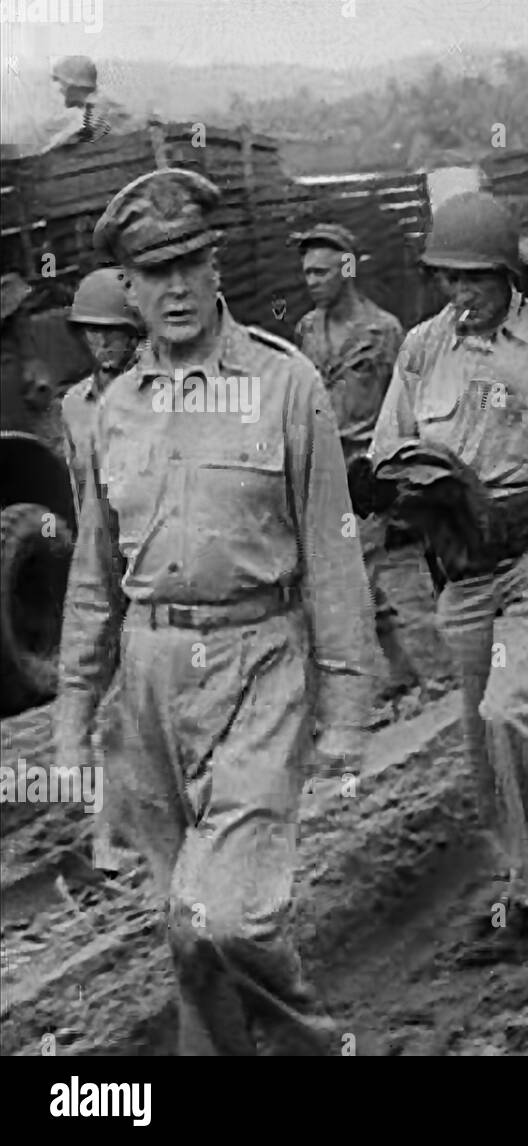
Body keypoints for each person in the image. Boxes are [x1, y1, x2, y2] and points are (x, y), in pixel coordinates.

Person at [55, 168, 381, 1055]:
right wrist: (73, 720)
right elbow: (93, 574)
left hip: (259, 666)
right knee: (186, 935)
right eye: (153, 273)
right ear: (127, 286)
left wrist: (348, 712)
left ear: (215, 264)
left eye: (190, 264)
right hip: (149, 681)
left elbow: (332, 550)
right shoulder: (114, 410)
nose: (176, 288)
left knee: (227, 918)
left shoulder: (286, 385)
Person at [370, 192, 528, 933]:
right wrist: (420, 484)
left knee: (510, 711)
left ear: (509, 275)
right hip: (462, 567)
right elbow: (385, 451)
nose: (462, 293)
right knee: (482, 735)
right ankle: (523, 870)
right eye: (449, 279)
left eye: (476, 278)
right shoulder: (421, 349)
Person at [293, 223, 422, 705]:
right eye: (306, 273)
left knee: (356, 574)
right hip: (324, 468)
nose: (311, 281)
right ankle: (403, 665)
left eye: (321, 272)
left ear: (347, 270)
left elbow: (407, 397)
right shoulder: (306, 329)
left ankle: (352, 684)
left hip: (368, 469)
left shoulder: (383, 331)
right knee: (341, 573)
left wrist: (403, 459)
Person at [60, 266, 144, 876]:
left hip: (151, 557)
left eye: (113, 332)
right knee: (97, 692)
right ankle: (110, 838)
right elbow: (77, 486)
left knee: (132, 708)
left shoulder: (157, 393)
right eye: (91, 333)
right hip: (102, 559)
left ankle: (114, 840)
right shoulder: (75, 406)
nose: (103, 344)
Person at [40, 55, 132, 153]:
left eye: (56, 79)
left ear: (72, 83)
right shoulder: (102, 105)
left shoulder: (97, 111)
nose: (55, 86)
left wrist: (58, 142)